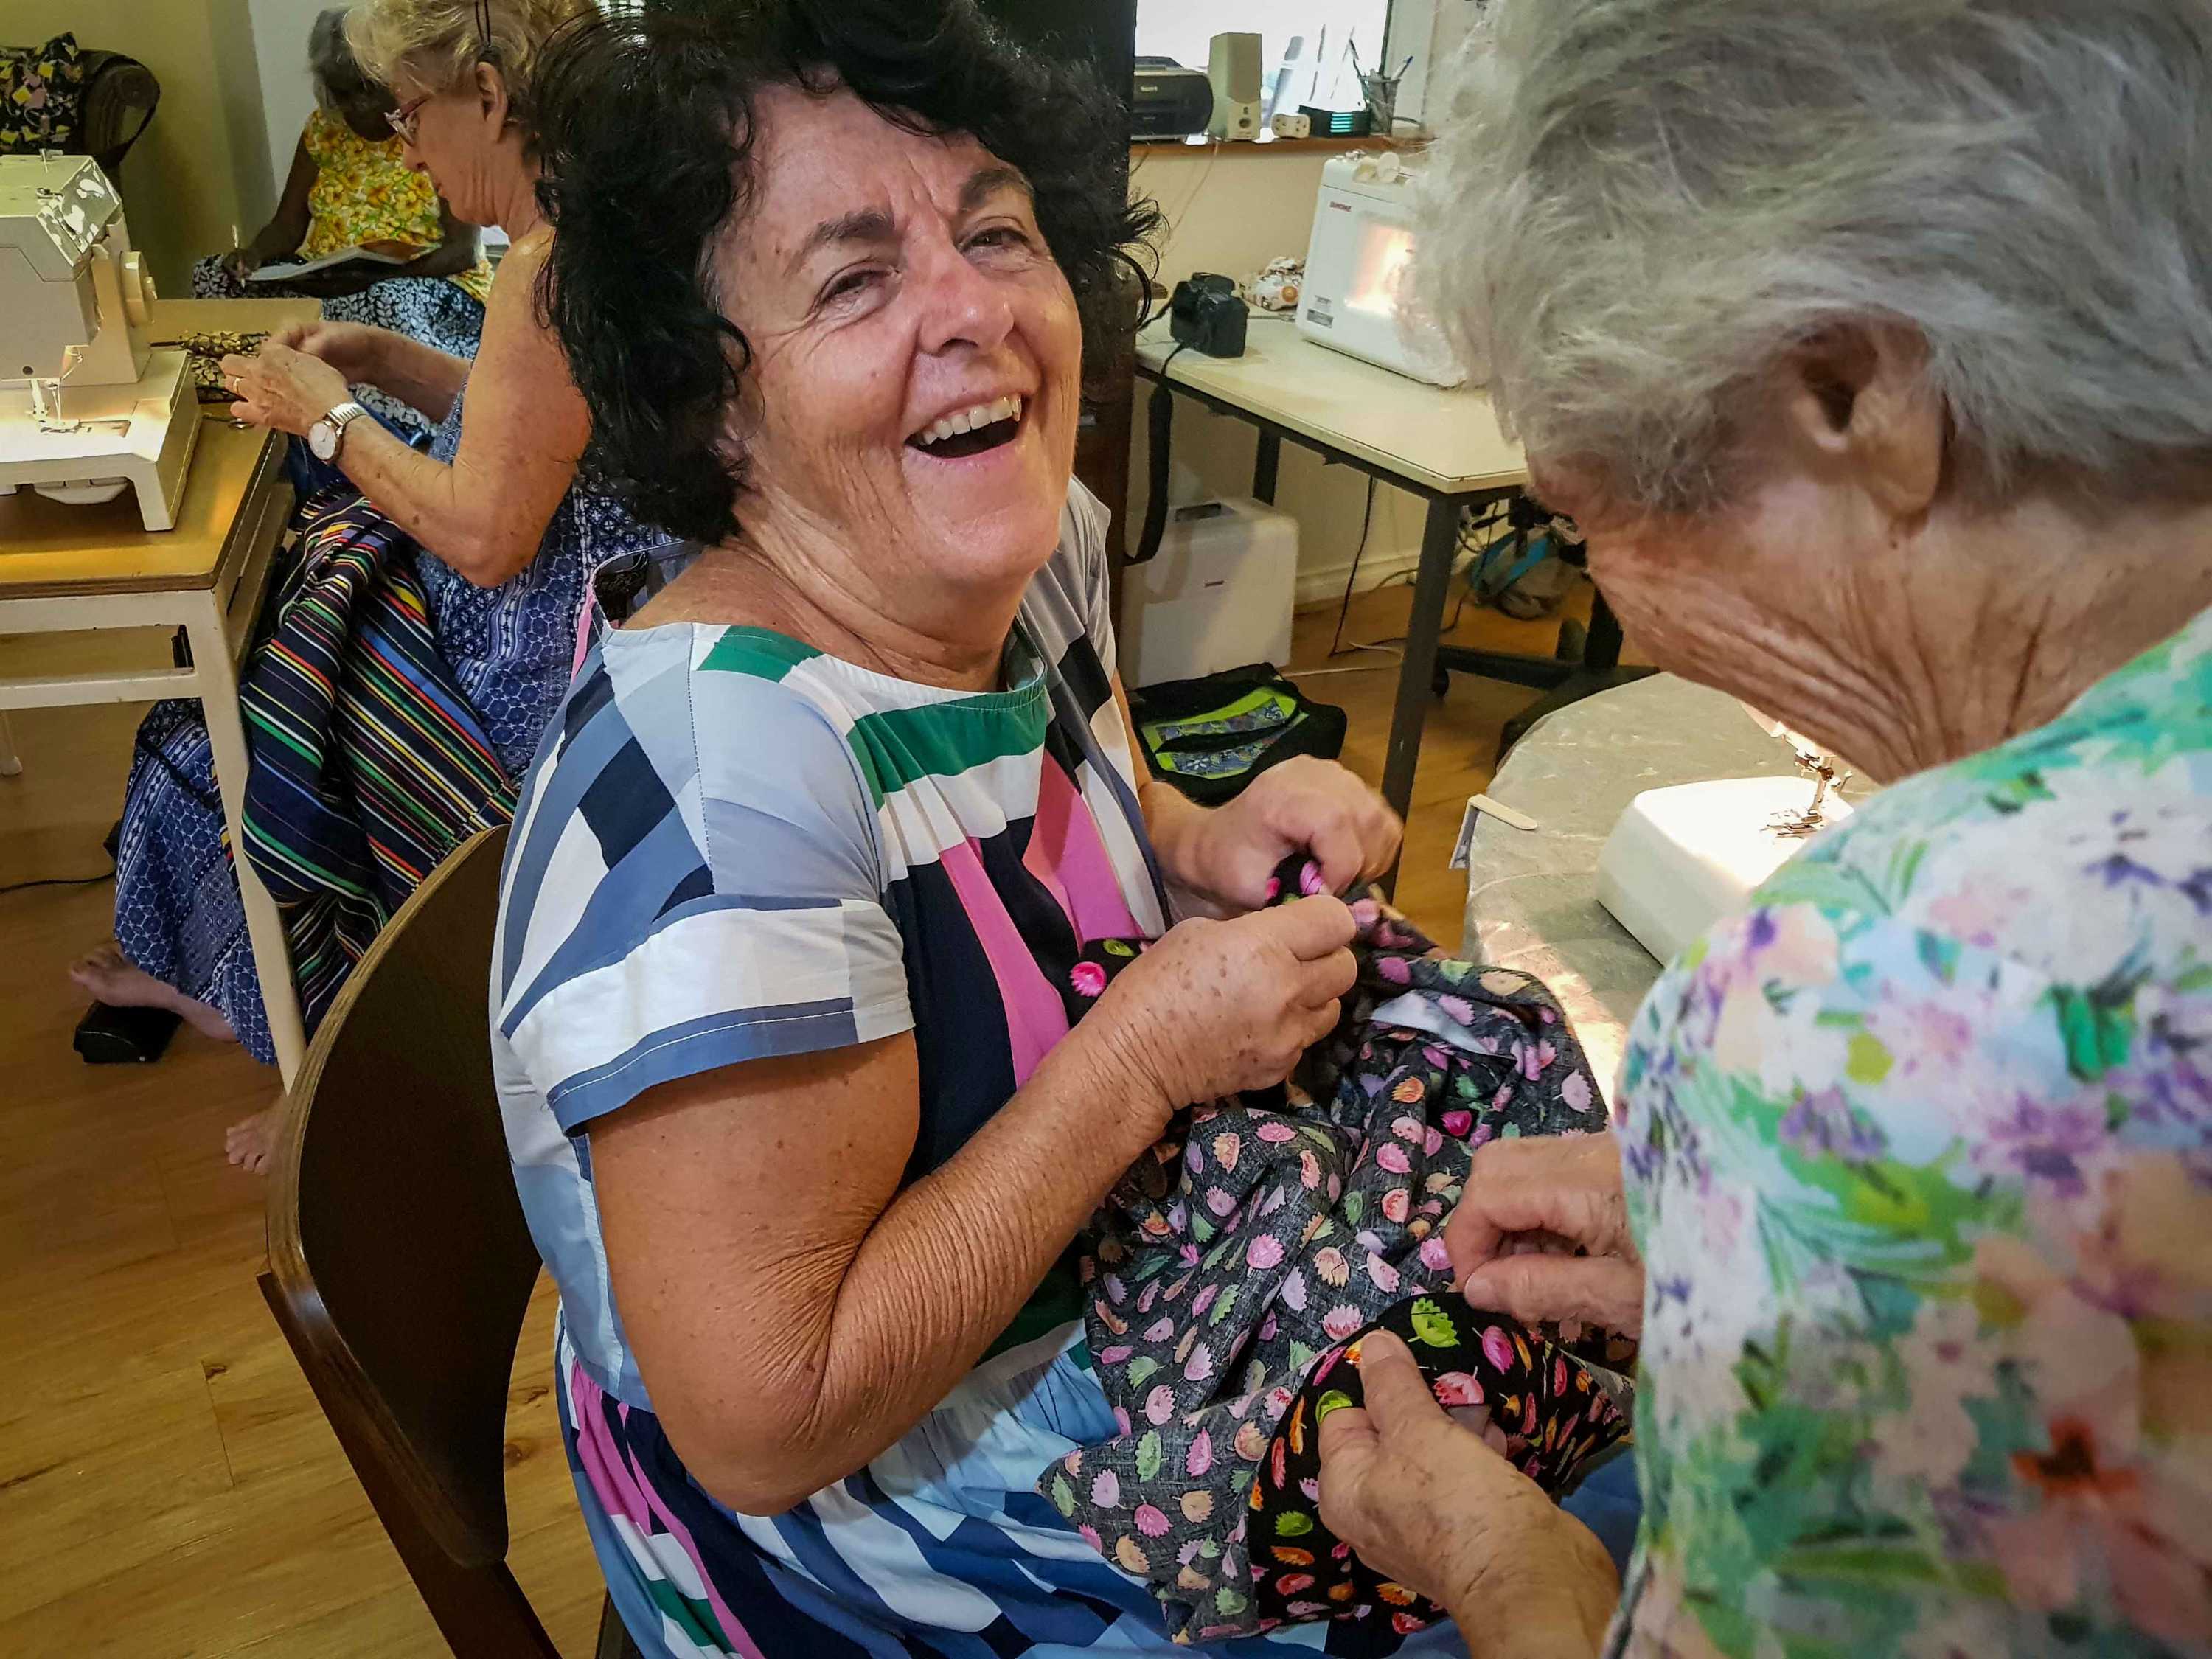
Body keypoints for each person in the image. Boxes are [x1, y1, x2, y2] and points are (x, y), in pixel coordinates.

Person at [493, 4, 1423, 1653]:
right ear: (709, 404)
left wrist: (1207, 841)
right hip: (873, 1547)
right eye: (854, 280)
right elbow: (766, 1421)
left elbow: (1077, 802)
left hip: (1108, 1304)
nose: (978, 306)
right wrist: (1142, 1057)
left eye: (997, 230)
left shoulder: (1025, 541)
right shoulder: (727, 786)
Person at [1312, 2, 2212, 1655]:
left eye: (1583, 520)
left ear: (1856, 391)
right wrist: (1866, 1309)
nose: (1628, 632)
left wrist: (1518, 1581)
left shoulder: (1869, 1014)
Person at [72, 0, 667, 1175]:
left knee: (247, 710)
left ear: (490, 98)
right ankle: (268, 1006)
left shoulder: (548, 270)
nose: (403, 147)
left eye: (412, 113)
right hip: (578, 612)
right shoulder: (587, 234)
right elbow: (536, 432)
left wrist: (327, 417)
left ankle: (328, 1059)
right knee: (284, 626)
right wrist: (386, 360)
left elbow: (489, 537)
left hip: (544, 681)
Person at [192, 6, 491, 441]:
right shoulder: (323, 131)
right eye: (344, 94)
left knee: (387, 302)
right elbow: (286, 226)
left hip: (423, 282)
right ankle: (246, 404)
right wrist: (253, 254)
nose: (359, 107)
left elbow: (461, 250)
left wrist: (379, 275)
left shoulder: (427, 127)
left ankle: (399, 434)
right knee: (213, 277)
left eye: (369, 91)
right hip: (331, 278)